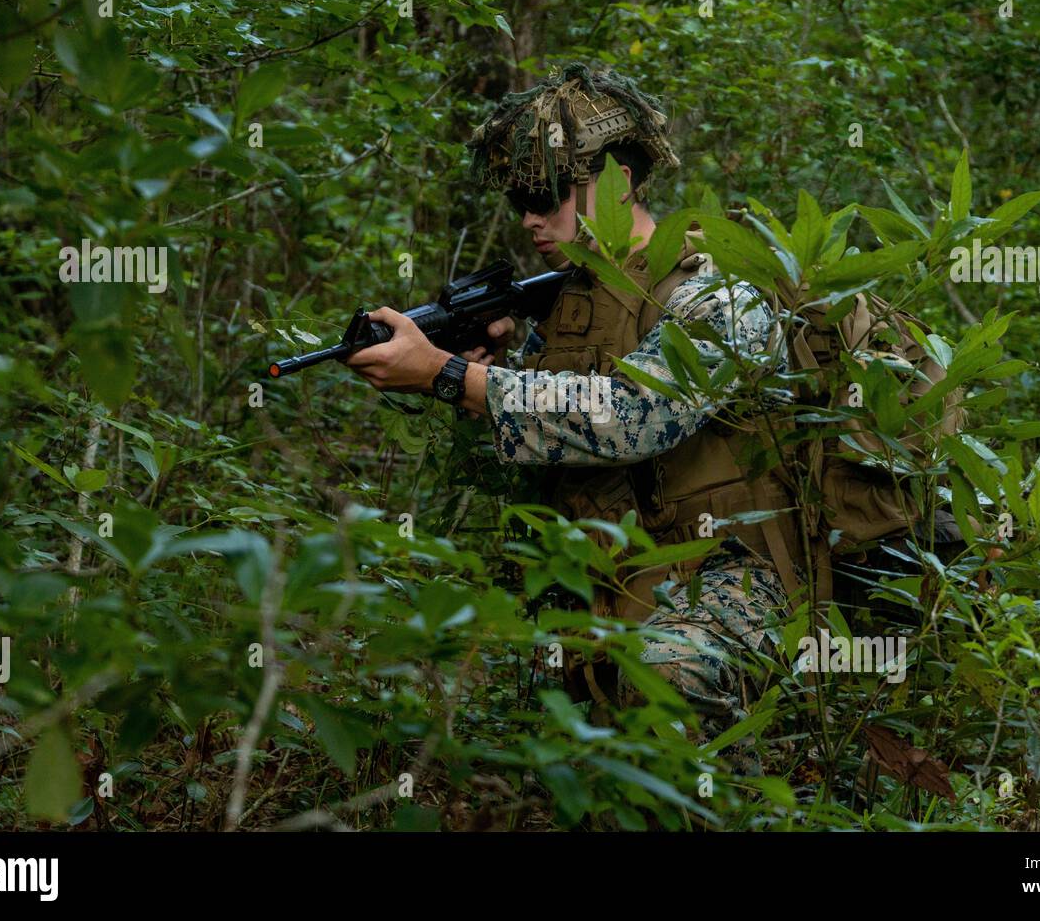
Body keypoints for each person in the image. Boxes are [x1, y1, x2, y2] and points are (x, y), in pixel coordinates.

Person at [345, 64, 807, 771]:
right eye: (519, 200)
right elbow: (539, 442)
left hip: (737, 564)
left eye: (549, 194)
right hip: (623, 565)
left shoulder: (719, 289)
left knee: (672, 675)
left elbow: (635, 416)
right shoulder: (569, 304)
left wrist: (450, 375)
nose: (531, 218)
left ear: (619, 183)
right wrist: (466, 375)